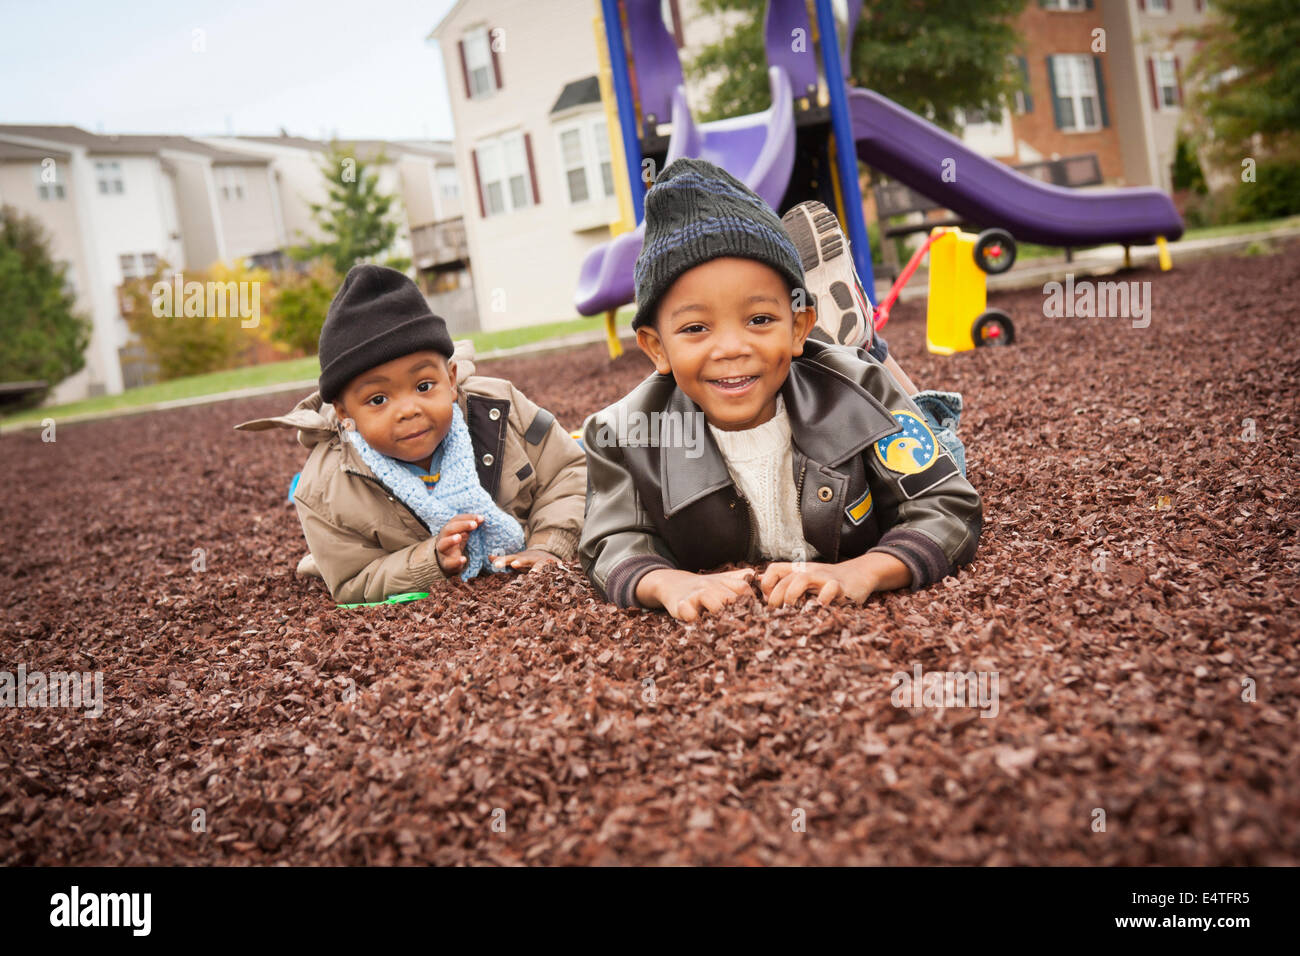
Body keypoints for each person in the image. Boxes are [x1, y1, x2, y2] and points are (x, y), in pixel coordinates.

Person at [579, 158, 982, 622]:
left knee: (940, 439)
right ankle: (839, 330)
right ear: (656, 348)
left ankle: (861, 342)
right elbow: (610, 539)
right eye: (695, 327)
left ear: (797, 327)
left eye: (759, 319)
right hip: (799, 362)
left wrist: (865, 570)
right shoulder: (628, 434)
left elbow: (946, 502)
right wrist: (666, 580)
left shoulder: (860, 394)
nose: (731, 348)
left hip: (839, 379)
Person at [237, 265, 585, 605]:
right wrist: (429, 561)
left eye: (423, 385)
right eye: (378, 399)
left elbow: (566, 475)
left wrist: (547, 545)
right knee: (328, 562)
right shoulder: (325, 488)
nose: (407, 409)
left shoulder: (499, 409)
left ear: (450, 379)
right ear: (344, 413)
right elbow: (352, 578)